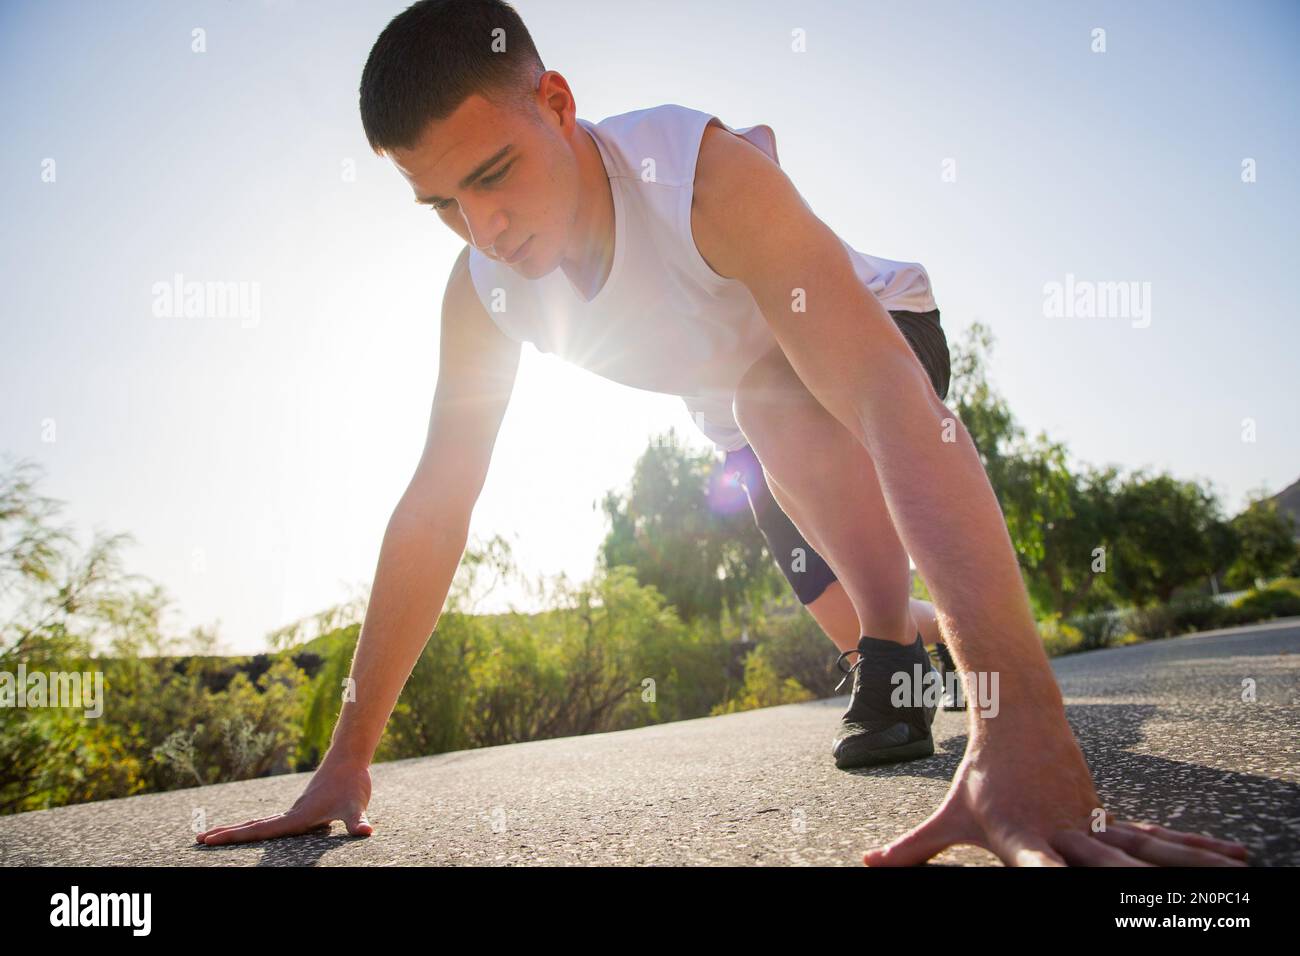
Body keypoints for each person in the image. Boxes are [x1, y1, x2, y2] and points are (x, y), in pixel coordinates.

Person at [197, 0, 1249, 866]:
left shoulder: (696, 177)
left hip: (878, 337)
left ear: (558, 106)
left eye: (492, 175)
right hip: (757, 431)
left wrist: (1021, 728)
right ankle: (899, 635)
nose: (485, 230)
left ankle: (894, 646)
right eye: (439, 204)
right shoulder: (484, 294)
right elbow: (435, 506)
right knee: (793, 502)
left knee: (771, 404)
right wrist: (347, 758)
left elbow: (886, 393)